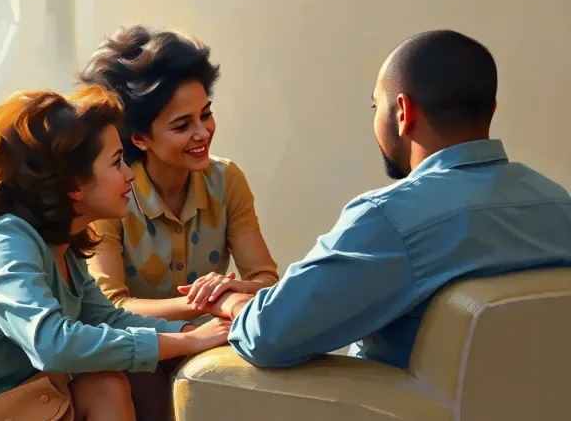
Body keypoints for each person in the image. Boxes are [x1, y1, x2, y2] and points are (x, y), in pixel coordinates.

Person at [207, 29, 571, 369]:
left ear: (403, 112)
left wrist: (234, 303)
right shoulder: (559, 203)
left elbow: (268, 335)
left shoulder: (391, 218)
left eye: (375, 107)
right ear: (491, 110)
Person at [0, 86, 231, 421]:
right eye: (117, 162)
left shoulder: (62, 247)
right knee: (107, 383)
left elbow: (109, 319)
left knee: (105, 384)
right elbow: (52, 345)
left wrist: (194, 332)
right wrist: (184, 342)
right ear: (73, 184)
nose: (130, 174)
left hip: (24, 409)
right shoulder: (5, 245)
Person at [77, 25, 280, 421]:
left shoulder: (227, 180)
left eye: (206, 114)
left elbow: (267, 281)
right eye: (182, 125)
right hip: (137, 355)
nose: (203, 133)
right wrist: (207, 303)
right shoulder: (111, 196)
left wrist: (234, 288)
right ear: (139, 138)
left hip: (210, 350)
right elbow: (110, 307)